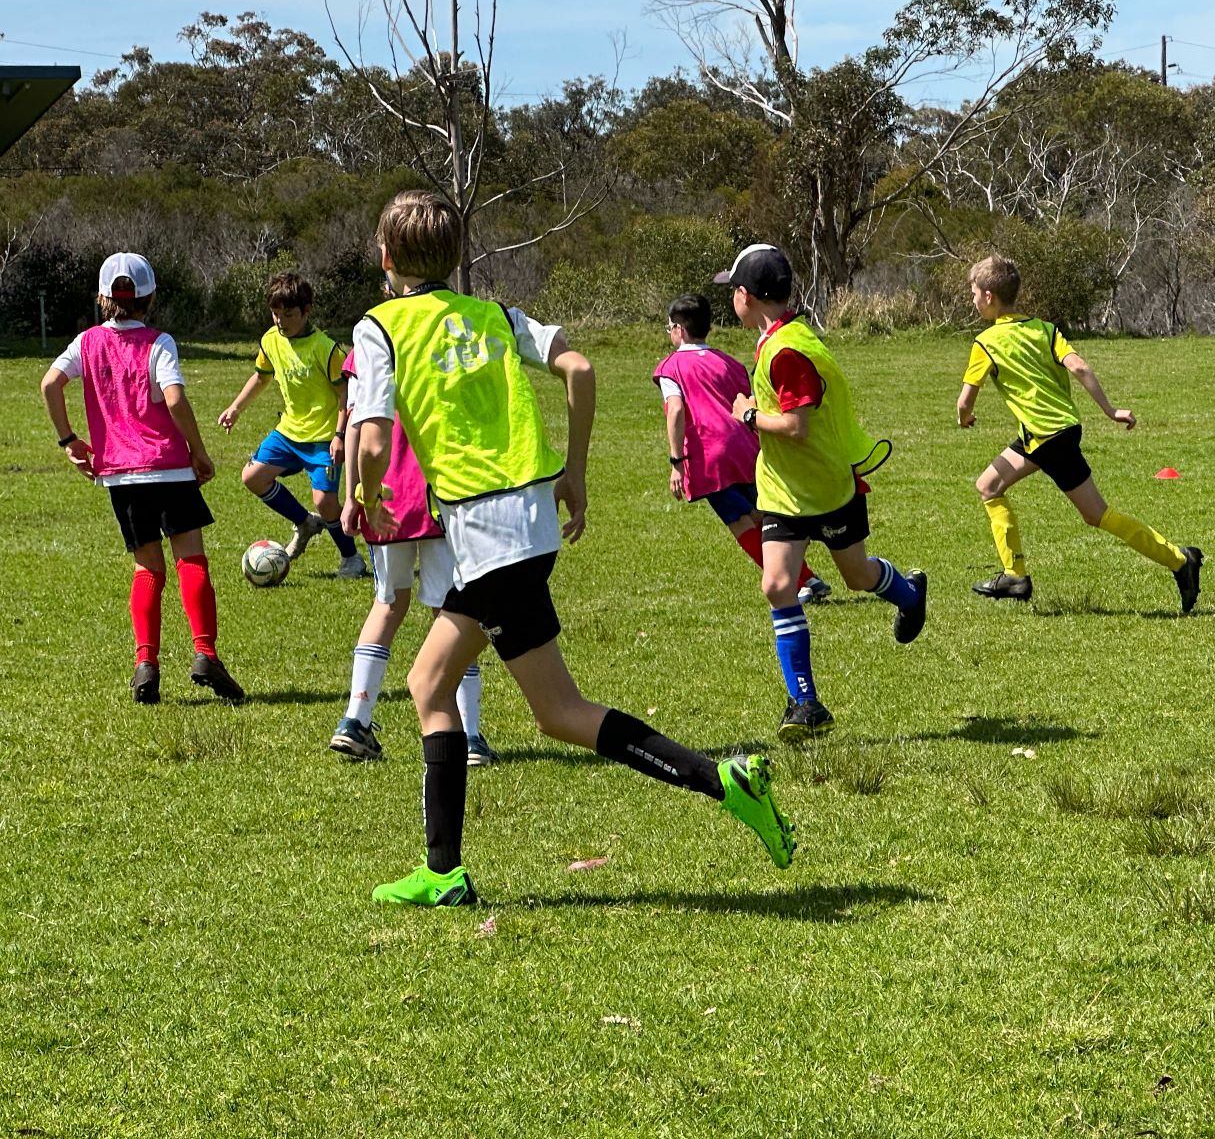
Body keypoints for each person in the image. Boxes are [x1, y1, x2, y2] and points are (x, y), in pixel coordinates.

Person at [348, 191, 795, 907]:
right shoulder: (495, 315)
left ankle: (722, 781)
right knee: (441, 686)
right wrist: (575, 472)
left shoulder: (379, 327)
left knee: (550, 708)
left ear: (386, 257)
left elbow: (371, 441)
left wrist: (363, 496)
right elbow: (580, 368)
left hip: (485, 533)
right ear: (456, 256)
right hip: (525, 523)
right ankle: (443, 870)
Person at [718, 244, 927, 741]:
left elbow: (797, 426)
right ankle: (806, 704)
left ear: (745, 296)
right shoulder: (779, 337)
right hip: (784, 491)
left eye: (733, 291)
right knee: (777, 585)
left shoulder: (788, 350)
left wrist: (748, 414)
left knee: (858, 576)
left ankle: (910, 594)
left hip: (830, 488)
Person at [39, 253, 245, 703]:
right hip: (168, 468)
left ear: (102, 298)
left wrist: (69, 440)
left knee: (147, 568)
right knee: (191, 560)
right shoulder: (159, 342)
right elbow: (174, 399)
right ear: (150, 298)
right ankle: (206, 653)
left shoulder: (86, 342)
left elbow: (50, 384)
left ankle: (146, 664)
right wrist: (198, 451)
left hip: (121, 476)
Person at [956, 253, 1203, 611]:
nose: (973, 299)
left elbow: (965, 401)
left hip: (1045, 437)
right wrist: (1110, 410)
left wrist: (964, 417)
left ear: (989, 296)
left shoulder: (986, 343)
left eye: (974, 293)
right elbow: (1080, 367)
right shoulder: (1045, 330)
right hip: (1057, 432)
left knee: (1097, 514)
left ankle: (1180, 560)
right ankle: (1015, 575)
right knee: (989, 485)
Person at [330, 348, 492, 766]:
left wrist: (353, 496)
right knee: (454, 613)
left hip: (384, 495)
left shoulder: (367, 345)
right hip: (442, 496)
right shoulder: (443, 338)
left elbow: (356, 424)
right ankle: (470, 736)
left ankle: (355, 719)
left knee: (387, 604)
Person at [653, 292, 830, 605]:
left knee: (739, 522)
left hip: (711, 455)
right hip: (748, 446)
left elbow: (676, 409)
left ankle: (794, 583)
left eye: (670, 328)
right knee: (760, 517)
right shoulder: (729, 362)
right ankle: (808, 578)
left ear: (680, 329)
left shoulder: (672, 366)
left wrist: (676, 461)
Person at [217, 272, 366, 577]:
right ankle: (305, 523)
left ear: (306, 310)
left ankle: (352, 558)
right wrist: (235, 408)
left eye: (289, 314)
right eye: (276, 314)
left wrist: (340, 435)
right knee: (252, 477)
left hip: (323, 438)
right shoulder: (271, 340)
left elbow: (345, 393)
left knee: (325, 502)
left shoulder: (326, 349)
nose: (281, 321)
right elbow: (261, 376)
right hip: (288, 432)